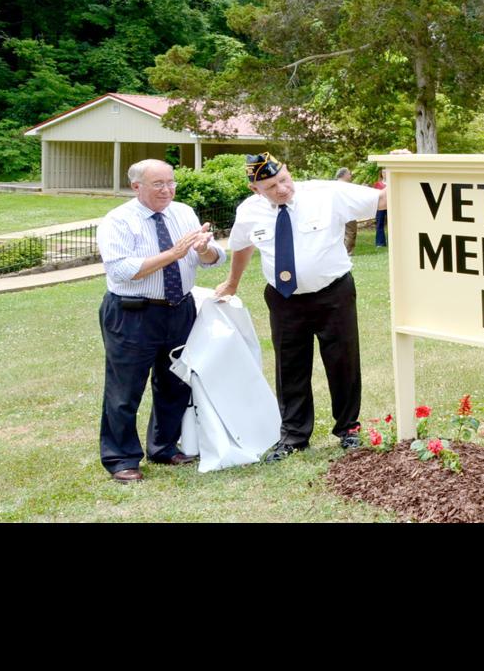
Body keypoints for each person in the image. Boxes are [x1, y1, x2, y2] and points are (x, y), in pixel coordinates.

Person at [215, 152, 387, 461]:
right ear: (256, 190)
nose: (281, 189)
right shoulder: (249, 211)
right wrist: (232, 282)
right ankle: (294, 436)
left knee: (342, 360)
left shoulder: (327, 193)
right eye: (270, 187)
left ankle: (348, 429)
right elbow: (242, 245)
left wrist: (397, 166)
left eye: (283, 180)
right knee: (290, 366)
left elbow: (383, 200)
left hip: (332, 292)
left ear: (289, 171)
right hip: (284, 299)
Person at [95, 158, 223, 483]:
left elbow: (211, 259)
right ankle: (121, 458)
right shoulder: (118, 221)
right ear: (136, 186)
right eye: (158, 184)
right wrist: (174, 254)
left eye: (171, 182)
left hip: (179, 309)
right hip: (133, 313)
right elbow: (122, 270)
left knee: (174, 383)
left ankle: (164, 447)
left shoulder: (184, 213)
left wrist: (205, 249)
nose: (167, 190)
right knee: (125, 389)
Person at [335, 167, 358, 252]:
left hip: (336, 211)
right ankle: (347, 251)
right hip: (347, 211)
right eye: (349, 173)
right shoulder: (346, 186)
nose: (350, 175)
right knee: (351, 231)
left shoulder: (333, 185)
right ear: (344, 175)